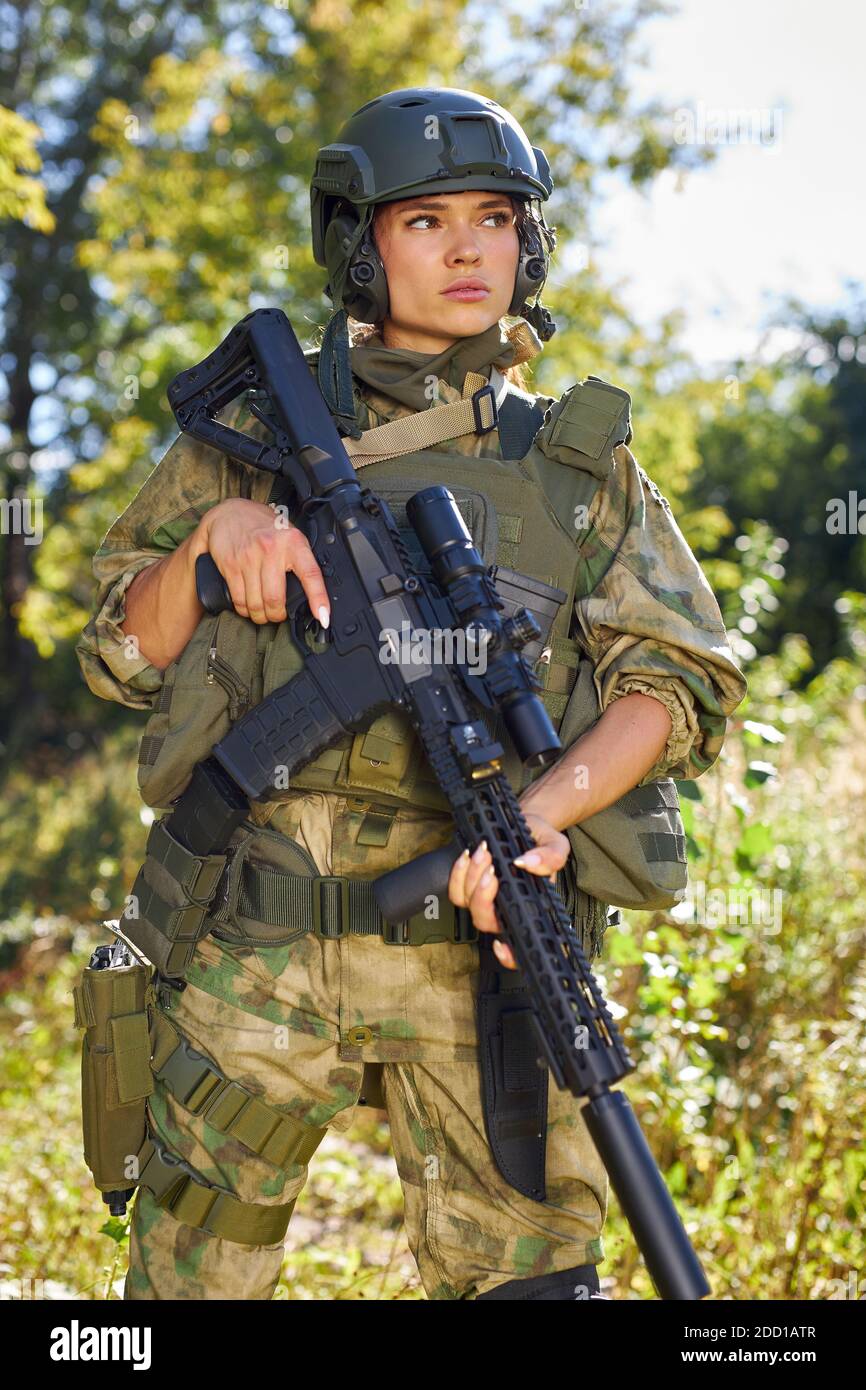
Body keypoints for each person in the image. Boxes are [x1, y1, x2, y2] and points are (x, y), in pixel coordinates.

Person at [75, 87, 748, 1301]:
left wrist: (546, 809)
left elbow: (678, 677)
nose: (466, 250)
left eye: (494, 218)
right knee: (187, 1289)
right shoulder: (245, 436)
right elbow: (116, 656)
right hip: (259, 944)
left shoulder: (575, 463)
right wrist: (211, 542)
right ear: (359, 246)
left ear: (525, 243)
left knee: (536, 1280)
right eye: (424, 221)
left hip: (485, 946)